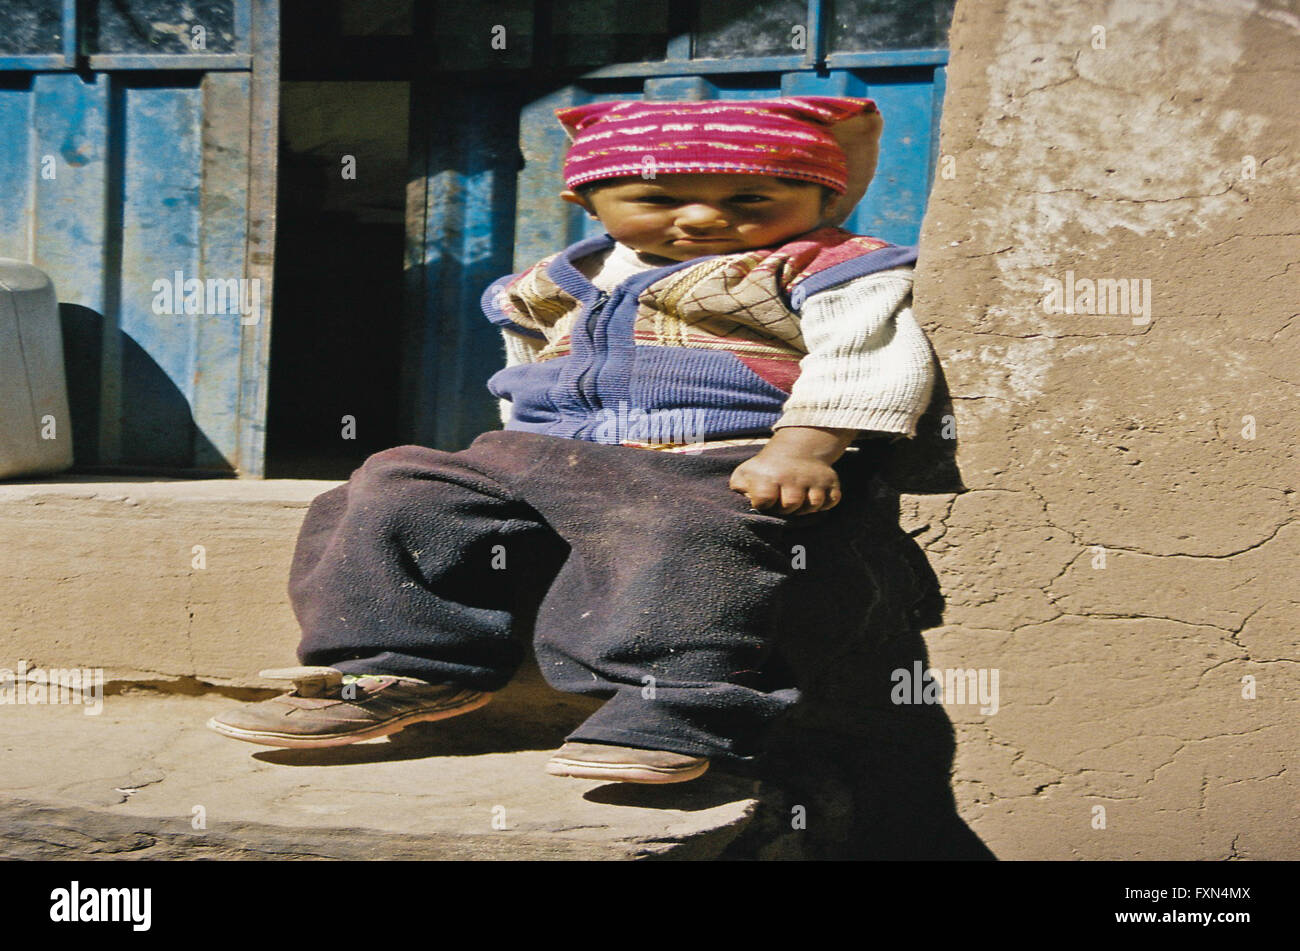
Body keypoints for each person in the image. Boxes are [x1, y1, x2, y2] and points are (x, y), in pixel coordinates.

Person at [207, 96, 937, 785]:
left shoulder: (826, 266)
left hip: (711, 451)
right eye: (655, 200)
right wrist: (514, 458)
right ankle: (402, 664)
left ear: (823, 200)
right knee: (394, 480)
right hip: (547, 450)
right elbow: (529, 364)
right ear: (587, 203)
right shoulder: (563, 277)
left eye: (751, 199)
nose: (706, 217)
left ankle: (674, 708)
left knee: (691, 531)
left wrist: (806, 446)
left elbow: (867, 354)